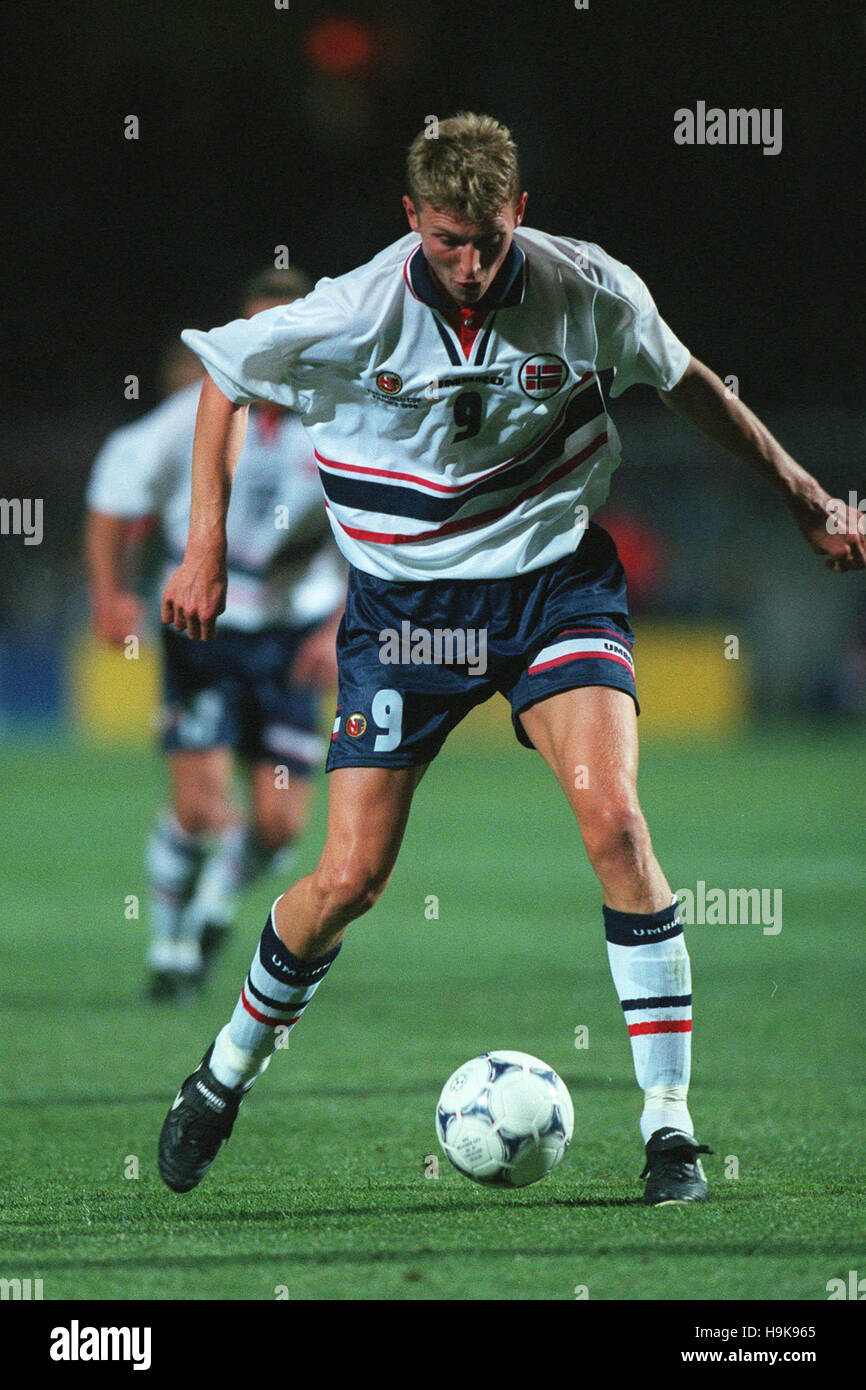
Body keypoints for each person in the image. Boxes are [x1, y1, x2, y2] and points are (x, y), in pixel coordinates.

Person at [156, 114, 865, 1201]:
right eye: (448, 239)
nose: (471, 262)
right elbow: (219, 376)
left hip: (552, 590)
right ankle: (221, 1074)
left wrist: (806, 499)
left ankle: (669, 1129)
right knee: (347, 879)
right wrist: (204, 548)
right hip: (403, 613)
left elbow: (691, 386)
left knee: (616, 823)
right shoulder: (351, 310)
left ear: (517, 212)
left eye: (487, 237)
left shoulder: (587, 289)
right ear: (411, 221)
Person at [85, 267, 346, 999]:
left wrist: (334, 626)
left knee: (278, 825)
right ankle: (171, 949)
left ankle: (212, 905)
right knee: (200, 807)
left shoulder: (340, 417)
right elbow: (113, 489)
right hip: (203, 626)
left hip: (293, 635)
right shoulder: (194, 413)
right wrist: (110, 595)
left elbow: (378, 532)